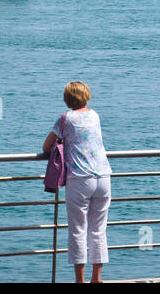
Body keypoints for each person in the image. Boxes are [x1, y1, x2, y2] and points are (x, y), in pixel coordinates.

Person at [43, 81, 112, 283]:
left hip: (80, 179)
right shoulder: (95, 115)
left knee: (78, 230)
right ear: (86, 96)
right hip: (104, 177)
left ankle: (79, 280)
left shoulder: (65, 118)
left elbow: (46, 147)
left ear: (67, 99)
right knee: (98, 230)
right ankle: (96, 279)